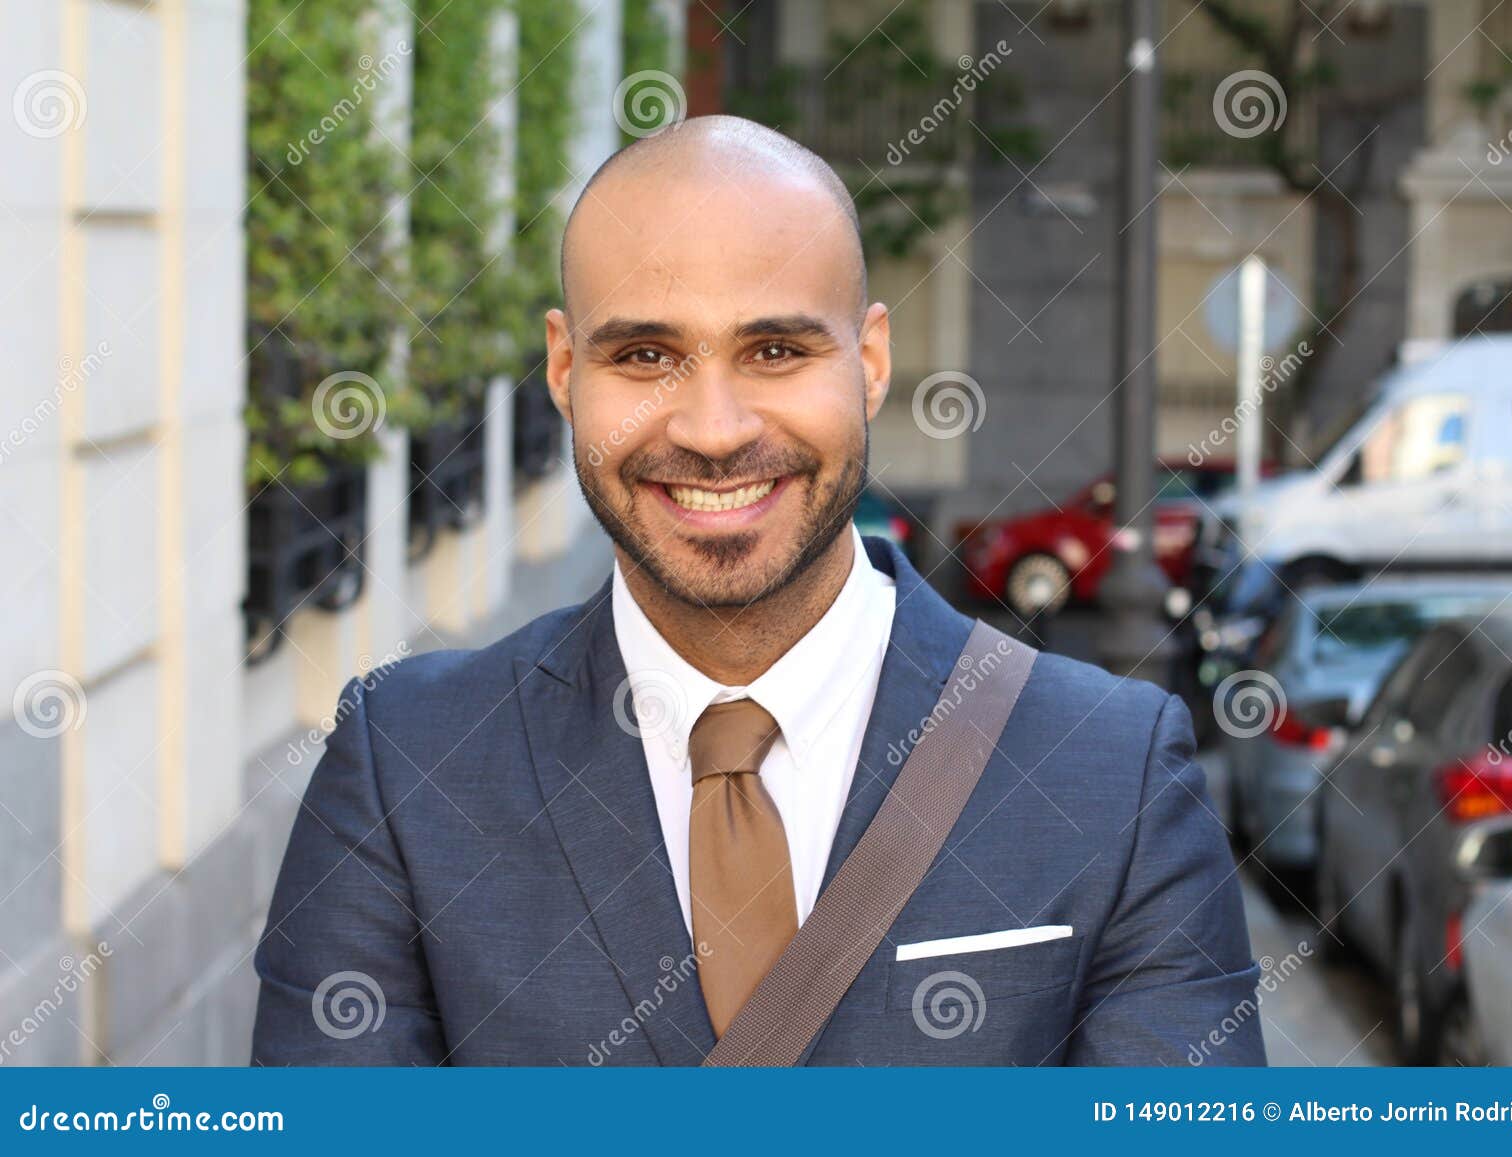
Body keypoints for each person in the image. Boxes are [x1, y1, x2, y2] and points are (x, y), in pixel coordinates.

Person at [251, 116, 1263, 1066]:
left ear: (868, 363)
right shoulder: (407, 767)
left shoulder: (1111, 772)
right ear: (564, 369)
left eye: (774, 350)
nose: (713, 426)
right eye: (645, 355)